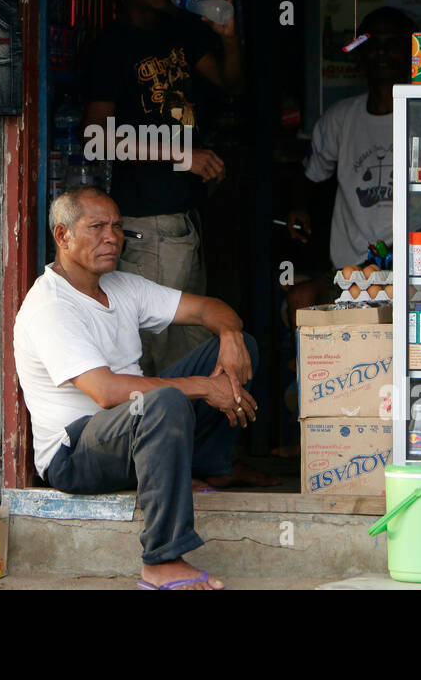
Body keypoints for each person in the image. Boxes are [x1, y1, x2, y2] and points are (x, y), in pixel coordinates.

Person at [15, 186, 264, 590]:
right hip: (76, 452)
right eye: (96, 227)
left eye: (117, 227)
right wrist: (203, 386)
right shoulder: (50, 305)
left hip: (132, 430)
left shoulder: (123, 286)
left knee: (239, 348)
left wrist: (231, 334)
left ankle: (205, 466)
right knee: (162, 401)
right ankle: (161, 561)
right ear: (63, 236)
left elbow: (208, 308)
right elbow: (107, 392)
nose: (112, 237)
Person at [84, 0, 246, 374]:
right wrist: (181, 156)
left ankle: (186, 436)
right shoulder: (112, 47)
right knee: (149, 353)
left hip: (183, 220)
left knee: (191, 349)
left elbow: (231, 83)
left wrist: (228, 36)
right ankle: (147, 435)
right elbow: (96, 137)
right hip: (147, 224)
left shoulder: (180, 33)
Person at [284, 7, 415, 313]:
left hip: (413, 266)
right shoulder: (341, 119)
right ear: (359, 54)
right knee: (299, 300)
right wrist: (299, 207)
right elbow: (311, 175)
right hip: (351, 270)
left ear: (411, 52)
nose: (381, 53)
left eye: (391, 44)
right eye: (372, 44)